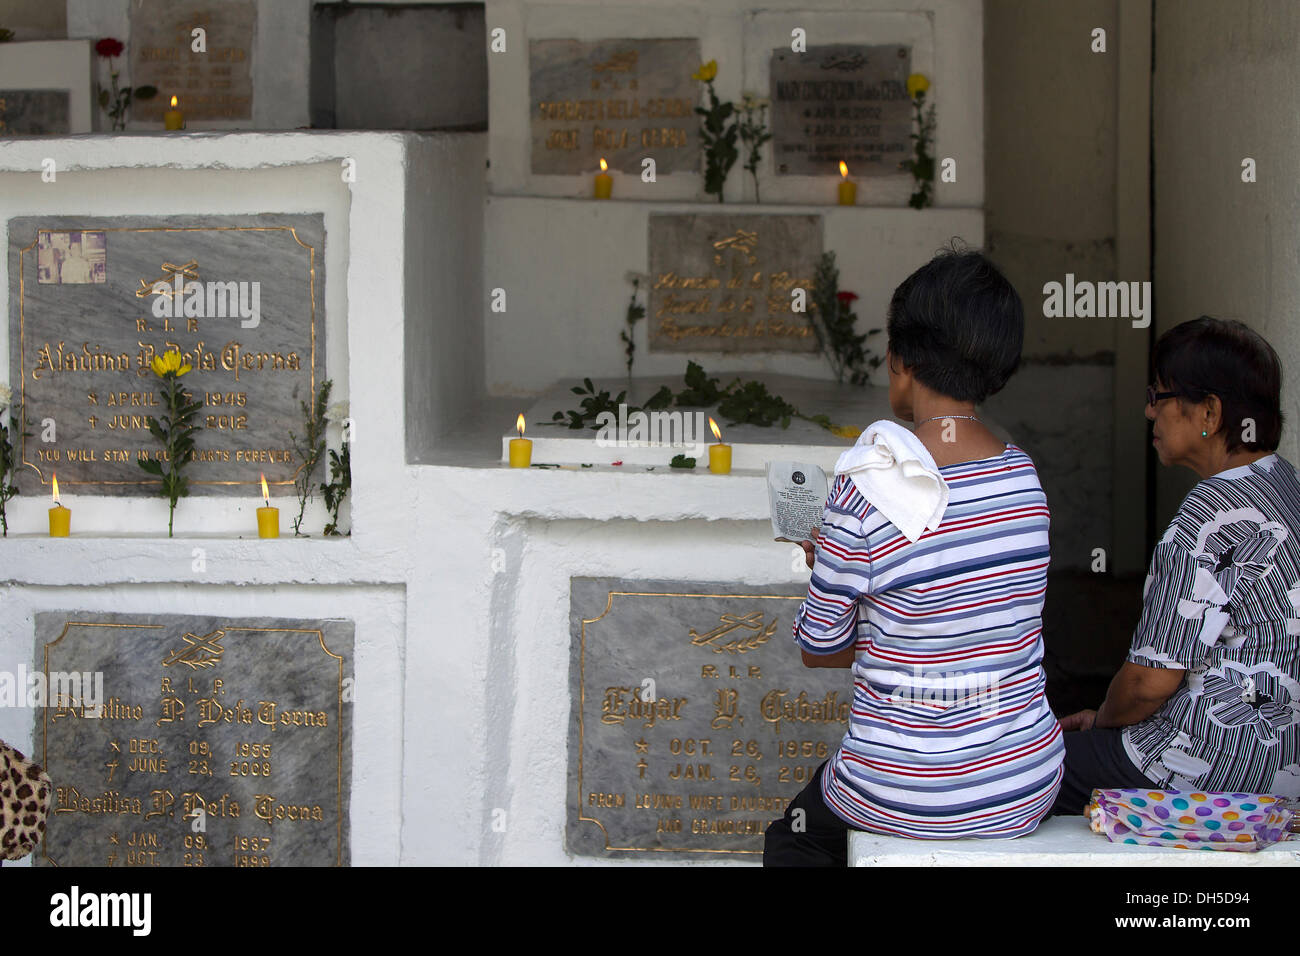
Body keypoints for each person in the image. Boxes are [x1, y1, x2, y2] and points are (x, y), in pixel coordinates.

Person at [763, 248, 1064, 866]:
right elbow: (979, 615)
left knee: (791, 840)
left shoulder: (864, 494)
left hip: (901, 791)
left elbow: (819, 651)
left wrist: (837, 571)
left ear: (902, 362)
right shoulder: (1024, 481)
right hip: (1022, 785)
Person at [1054, 317, 1300, 813]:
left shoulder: (1208, 516)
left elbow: (1147, 686)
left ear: (1209, 411)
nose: (1150, 411)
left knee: (1032, 772)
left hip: (1211, 763)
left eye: (1159, 396)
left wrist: (1101, 721)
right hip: (1285, 764)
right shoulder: (1285, 483)